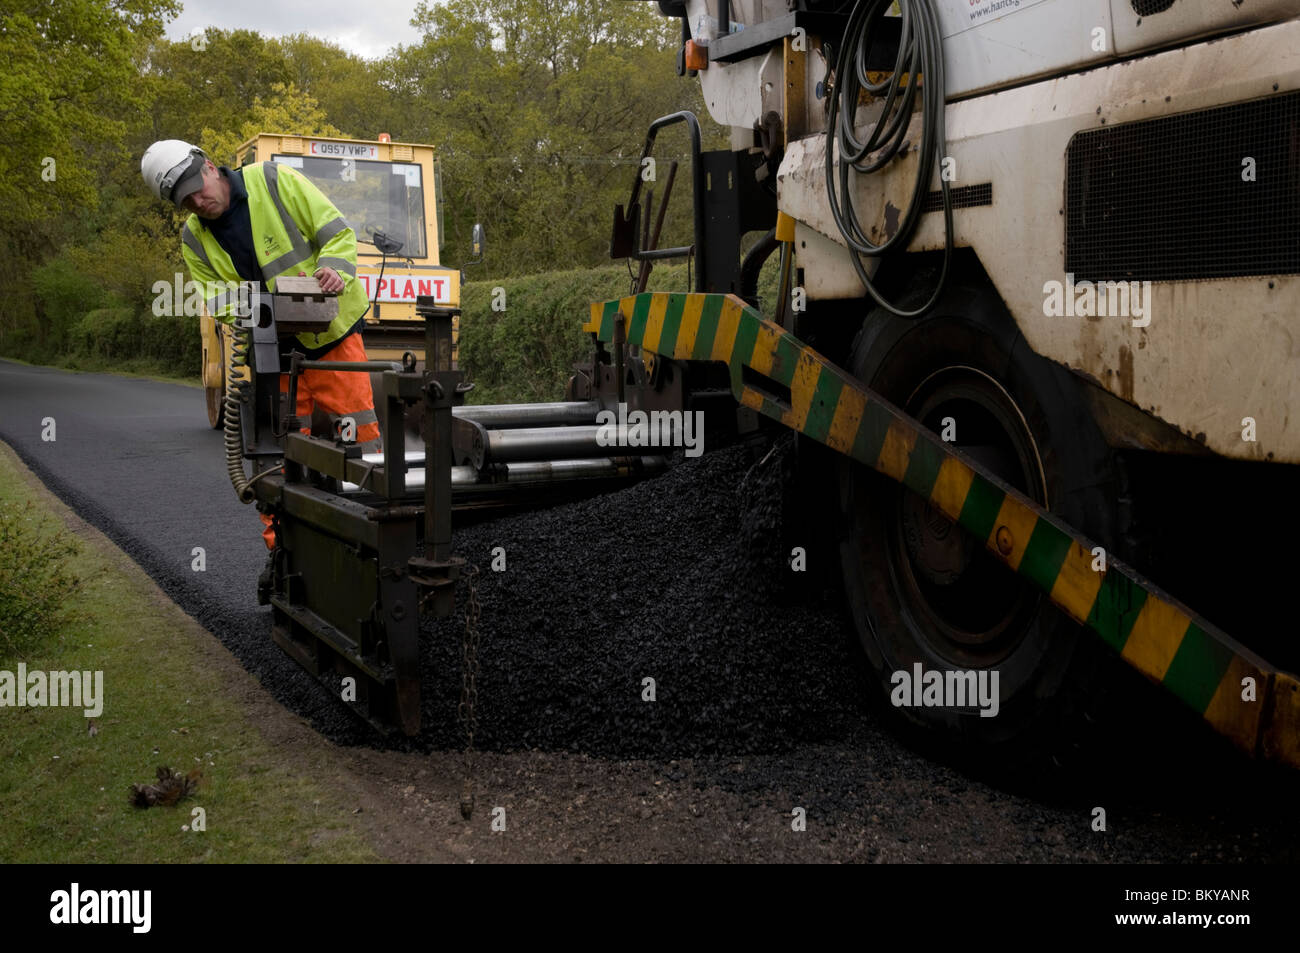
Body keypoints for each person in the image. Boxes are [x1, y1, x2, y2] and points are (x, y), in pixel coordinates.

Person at [141, 139, 381, 550]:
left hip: (332, 337)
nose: (198, 201)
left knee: (358, 436)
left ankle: (376, 530)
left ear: (211, 168)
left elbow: (336, 231)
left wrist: (334, 269)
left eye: (197, 188)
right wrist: (260, 310)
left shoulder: (273, 181)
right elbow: (215, 299)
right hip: (273, 352)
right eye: (186, 201)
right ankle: (286, 551)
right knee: (279, 452)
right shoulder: (194, 240)